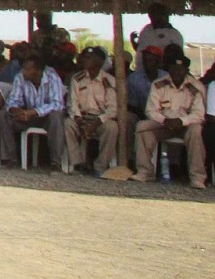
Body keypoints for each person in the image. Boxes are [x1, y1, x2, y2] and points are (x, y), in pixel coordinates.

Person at [132, 51, 206, 189]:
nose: (177, 71)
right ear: (168, 69)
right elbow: (150, 110)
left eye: (181, 68)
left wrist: (181, 121)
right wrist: (165, 121)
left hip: (186, 127)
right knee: (142, 127)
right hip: (164, 125)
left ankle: (197, 177)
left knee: (196, 130)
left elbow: (199, 114)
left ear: (186, 70)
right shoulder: (159, 84)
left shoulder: (196, 87)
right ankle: (145, 171)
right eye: (174, 68)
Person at [64, 47, 119, 175]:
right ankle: (78, 164)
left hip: (100, 120)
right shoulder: (77, 78)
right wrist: (79, 120)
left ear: (99, 62)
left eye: (89, 58)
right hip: (82, 118)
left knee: (112, 127)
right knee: (68, 123)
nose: (84, 59)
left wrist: (95, 124)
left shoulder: (110, 81)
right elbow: (72, 104)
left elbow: (112, 109)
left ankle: (100, 166)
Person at [6, 55, 66, 168]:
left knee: (57, 116)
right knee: (4, 115)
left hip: (46, 118)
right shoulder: (20, 77)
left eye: (27, 69)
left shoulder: (53, 78)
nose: (24, 72)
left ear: (38, 71)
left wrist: (34, 112)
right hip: (27, 116)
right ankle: (11, 158)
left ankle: (55, 162)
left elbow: (57, 104)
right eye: (23, 68)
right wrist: (17, 110)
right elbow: (13, 100)